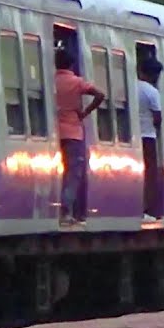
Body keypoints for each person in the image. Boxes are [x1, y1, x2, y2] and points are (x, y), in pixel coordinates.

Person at [55, 49, 105, 225]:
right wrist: (85, 112)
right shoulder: (76, 82)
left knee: (56, 171)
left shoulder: (51, 81)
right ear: (71, 65)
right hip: (73, 132)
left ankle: (53, 207)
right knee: (73, 172)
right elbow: (100, 95)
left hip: (54, 132)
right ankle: (66, 210)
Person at [138, 57, 164, 221]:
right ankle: (146, 209)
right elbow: (157, 117)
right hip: (148, 136)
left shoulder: (131, 86)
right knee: (149, 174)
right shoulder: (152, 92)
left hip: (134, 135)